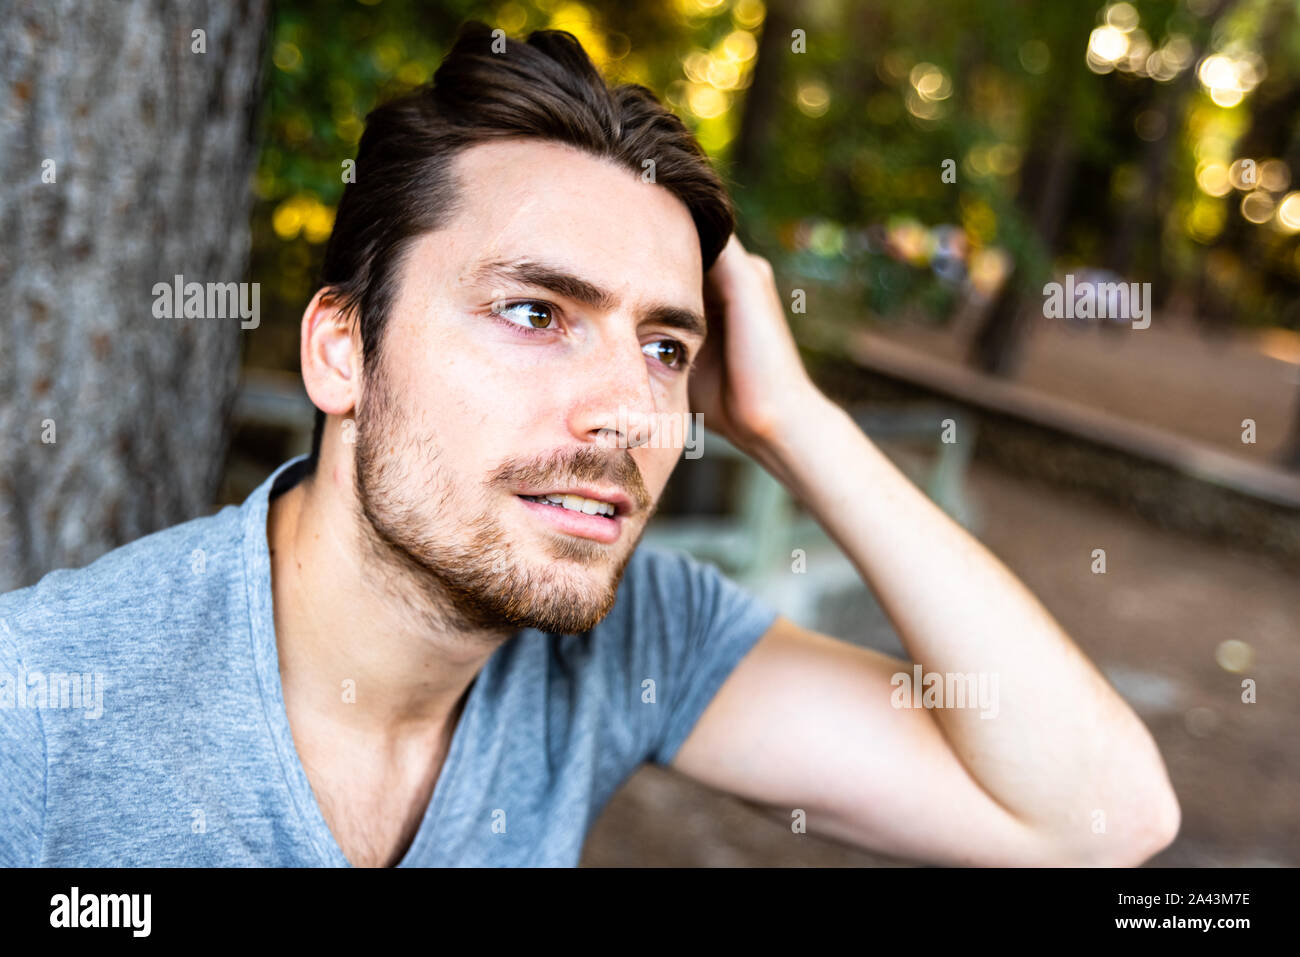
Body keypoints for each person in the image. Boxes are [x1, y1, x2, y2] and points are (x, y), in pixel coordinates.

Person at [0, 21, 1179, 867]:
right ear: (341, 352)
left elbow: (1098, 822)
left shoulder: (628, 642)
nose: (626, 411)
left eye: (666, 347)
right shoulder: (41, 721)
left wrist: (791, 419)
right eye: (534, 313)